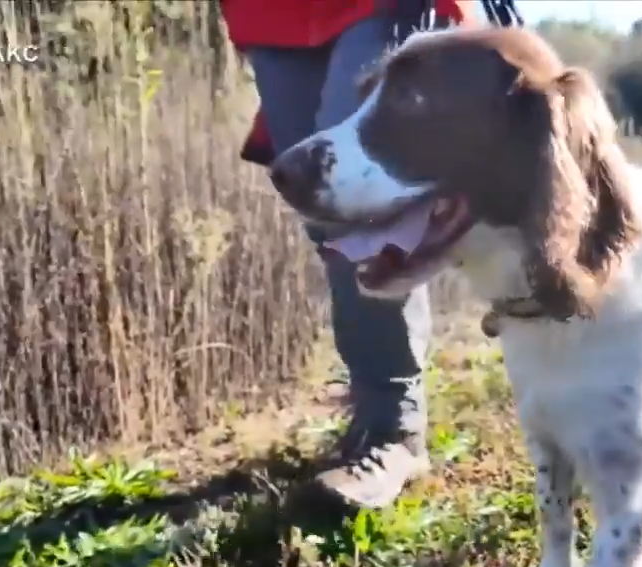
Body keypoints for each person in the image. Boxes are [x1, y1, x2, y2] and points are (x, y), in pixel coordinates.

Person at [218, 0, 514, 510]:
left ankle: (392, 430)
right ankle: (375, 405)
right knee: (324, 208)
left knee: (357, 190)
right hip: (269, 13)